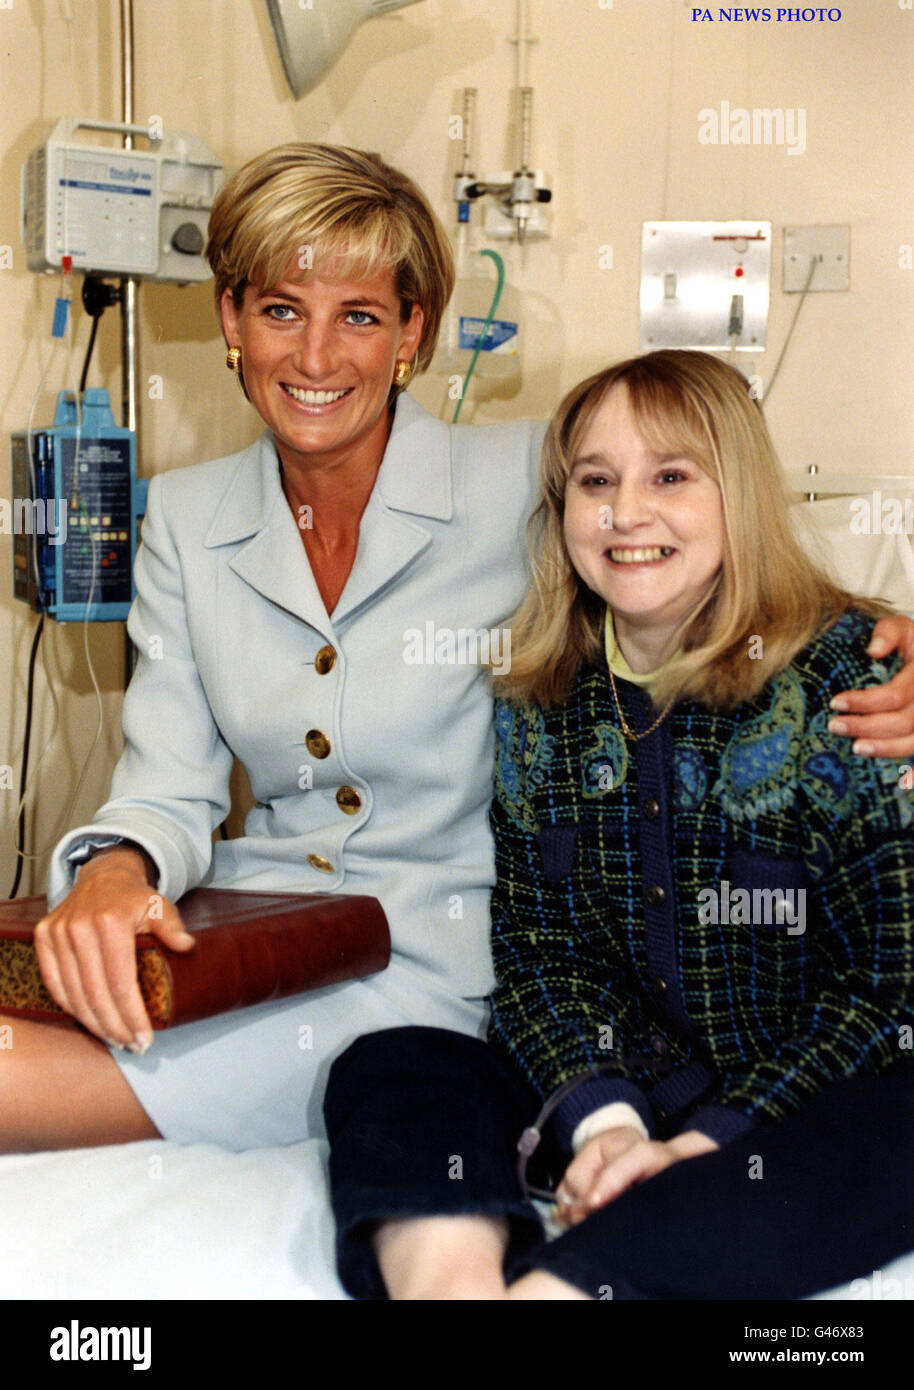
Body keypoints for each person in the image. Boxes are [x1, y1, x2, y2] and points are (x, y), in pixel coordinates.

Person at [2, 145, 913, 1156]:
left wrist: (898, 639)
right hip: (253, 938)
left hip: (448, 963)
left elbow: (738, 540)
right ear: (230, 321)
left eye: (357, 315)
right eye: (279, 310)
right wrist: (118, 865)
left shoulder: (532, 475)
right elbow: (168, 783)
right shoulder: (183, 517)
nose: (314, 356)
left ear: (411, 333)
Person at [323, 350, 914, 1301]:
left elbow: (891, 988)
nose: (626, 512)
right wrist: (608, 1128)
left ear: (742, 497)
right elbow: (541, 956)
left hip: (802, 1102)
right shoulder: (542, 700)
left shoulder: (856, 685)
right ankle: (451, 1283)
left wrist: (713, 1141)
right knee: (398, 1063)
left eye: (671, 477)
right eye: (595, 481)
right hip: (625, 1089)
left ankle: (573, 1287)